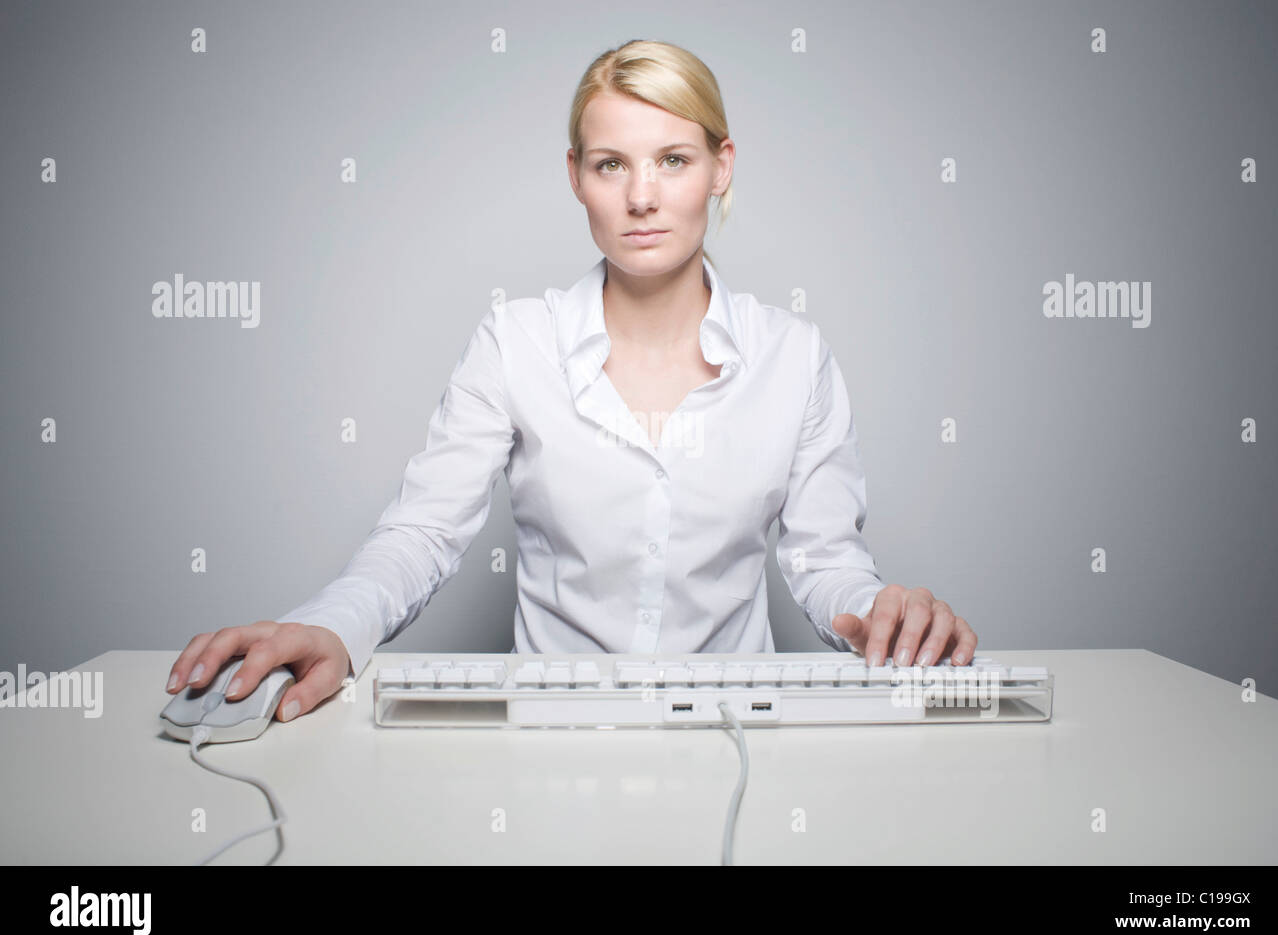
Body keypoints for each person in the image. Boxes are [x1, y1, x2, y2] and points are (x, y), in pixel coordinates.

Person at [165, 39, 979, 723]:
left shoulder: (794, 357)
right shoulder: (515, 341)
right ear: (575, 175)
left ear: (721, 167)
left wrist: (886, 619)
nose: (642, 196)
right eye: (610, 164)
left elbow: (825, 558)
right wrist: (330, 629)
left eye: (674, 159)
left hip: (738, 739)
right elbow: (423, 533)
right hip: (547, 743)